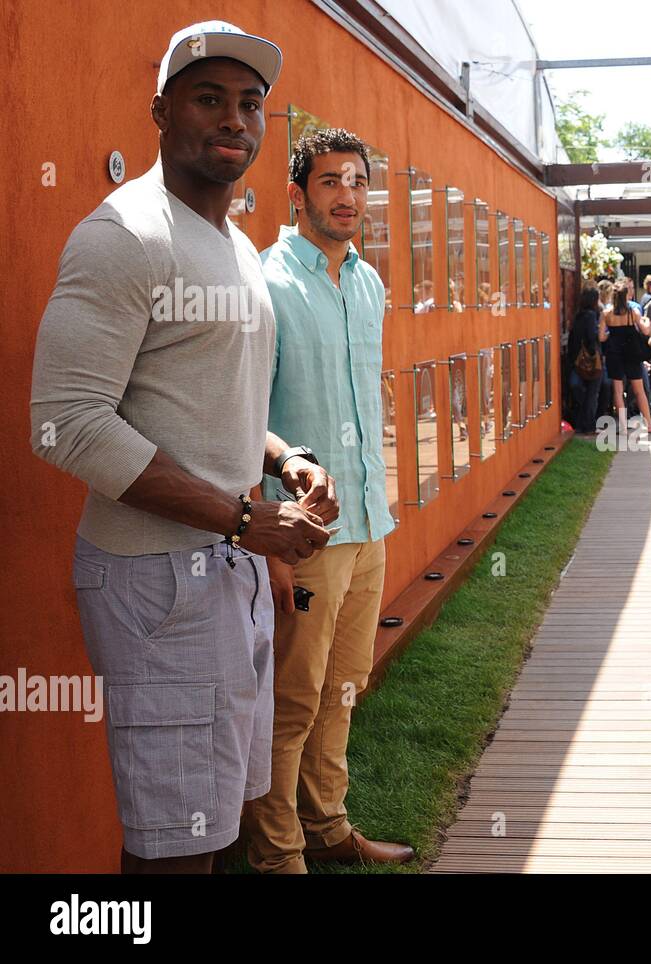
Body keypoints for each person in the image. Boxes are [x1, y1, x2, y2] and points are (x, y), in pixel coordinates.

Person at [29, 21, 340, 874]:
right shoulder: (125, 236)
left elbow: (206, 399)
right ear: (161, 112)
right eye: (210, 98)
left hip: (226, 564)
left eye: (251, 103)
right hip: (157, 579)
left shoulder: (233, 242)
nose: (235, 118)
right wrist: (244, 519)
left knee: (217, 821)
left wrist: (283, 460)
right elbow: (66, 422)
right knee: (175, 847)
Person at [242, 127, 414, 872]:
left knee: (345, 686)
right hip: (301, 535)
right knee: (291, 700)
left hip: (367, 524)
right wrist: (268, 544)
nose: (347, 195)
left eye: (357, 181)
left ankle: (329, 825)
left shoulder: (369, 283)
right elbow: (244, 415)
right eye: (330, 181)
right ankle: (278, 855)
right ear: (297, 193)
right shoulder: (265, 281)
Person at [601, 280, 651, 435]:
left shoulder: (606, 313)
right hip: (631, 353)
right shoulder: (633, 312)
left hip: (614, 353)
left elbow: (601, 337)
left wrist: (612, 334)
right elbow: (645, 331)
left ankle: (623, 427)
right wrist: (647, 321)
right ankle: (649, 425)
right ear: (626, 295)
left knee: (618, 391)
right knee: (639, 390)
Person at [568, 286, 606, 433]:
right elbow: (592, 337)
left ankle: (581, 423)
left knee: (578, 388)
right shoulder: (591, 316)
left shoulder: (578, 315)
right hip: (591, 360)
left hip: (577, 359)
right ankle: (589, 425)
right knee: (592, 393)